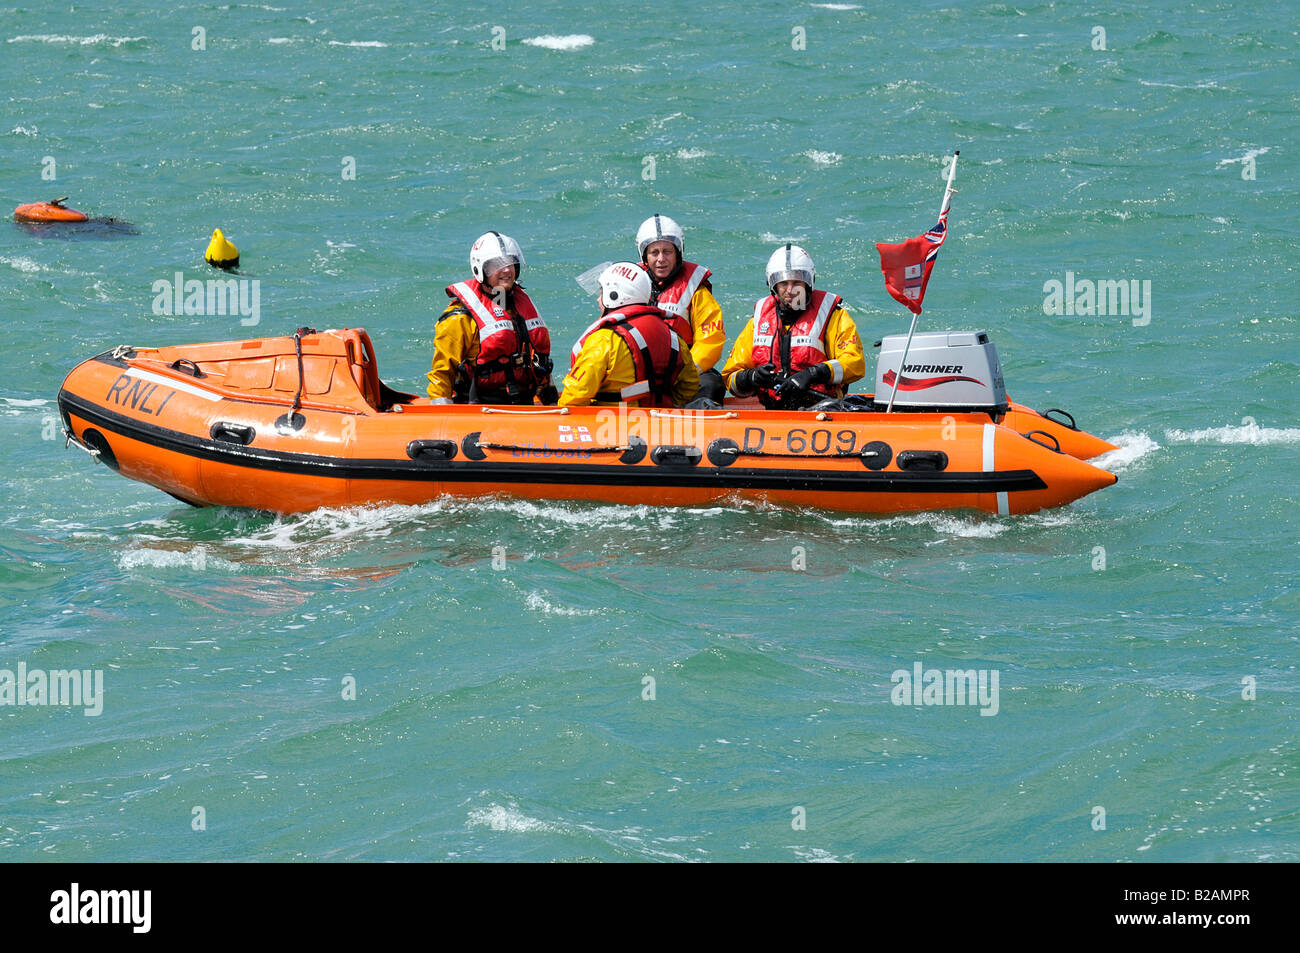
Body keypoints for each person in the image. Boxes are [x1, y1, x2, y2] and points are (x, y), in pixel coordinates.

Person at [721, 243, 865, 410]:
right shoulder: (758, 320)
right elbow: (730, 378)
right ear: (773, 285)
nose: (790, 290)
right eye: (783, 283)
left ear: (808, 283)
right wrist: (751, 376)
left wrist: (813, 374)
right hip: (773, 409)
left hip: (823, 408)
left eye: (797, 282)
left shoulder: (834, 316)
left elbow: (855, 363)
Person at [426, 231, 556, 405]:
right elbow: (442, 373)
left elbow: (538, 361)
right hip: (481, 407)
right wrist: (442, 416)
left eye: (511, 263)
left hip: (523, 403)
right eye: (496, 265)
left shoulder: (518, 305)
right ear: (480, 270)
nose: (507, 270)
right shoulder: (460, 317)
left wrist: (551, 401)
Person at [559, 262, 699, 407]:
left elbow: (575, 396)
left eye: (602, 293)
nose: (598, 299)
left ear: (614, 296)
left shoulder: (605, 339)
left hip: (611, 423)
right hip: (662, 420)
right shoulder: (673, 336)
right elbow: (690, 385)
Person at [635, 214, 726, 403]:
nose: (661, 259)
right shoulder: (630, 285)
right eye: (654, 252)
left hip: (683, 371)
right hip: (642, 373)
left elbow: (711, 340)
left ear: (678, 252)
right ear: (644, 256)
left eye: (667, 251)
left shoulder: (696, 290)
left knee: (711, 385)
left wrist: (684, 373)